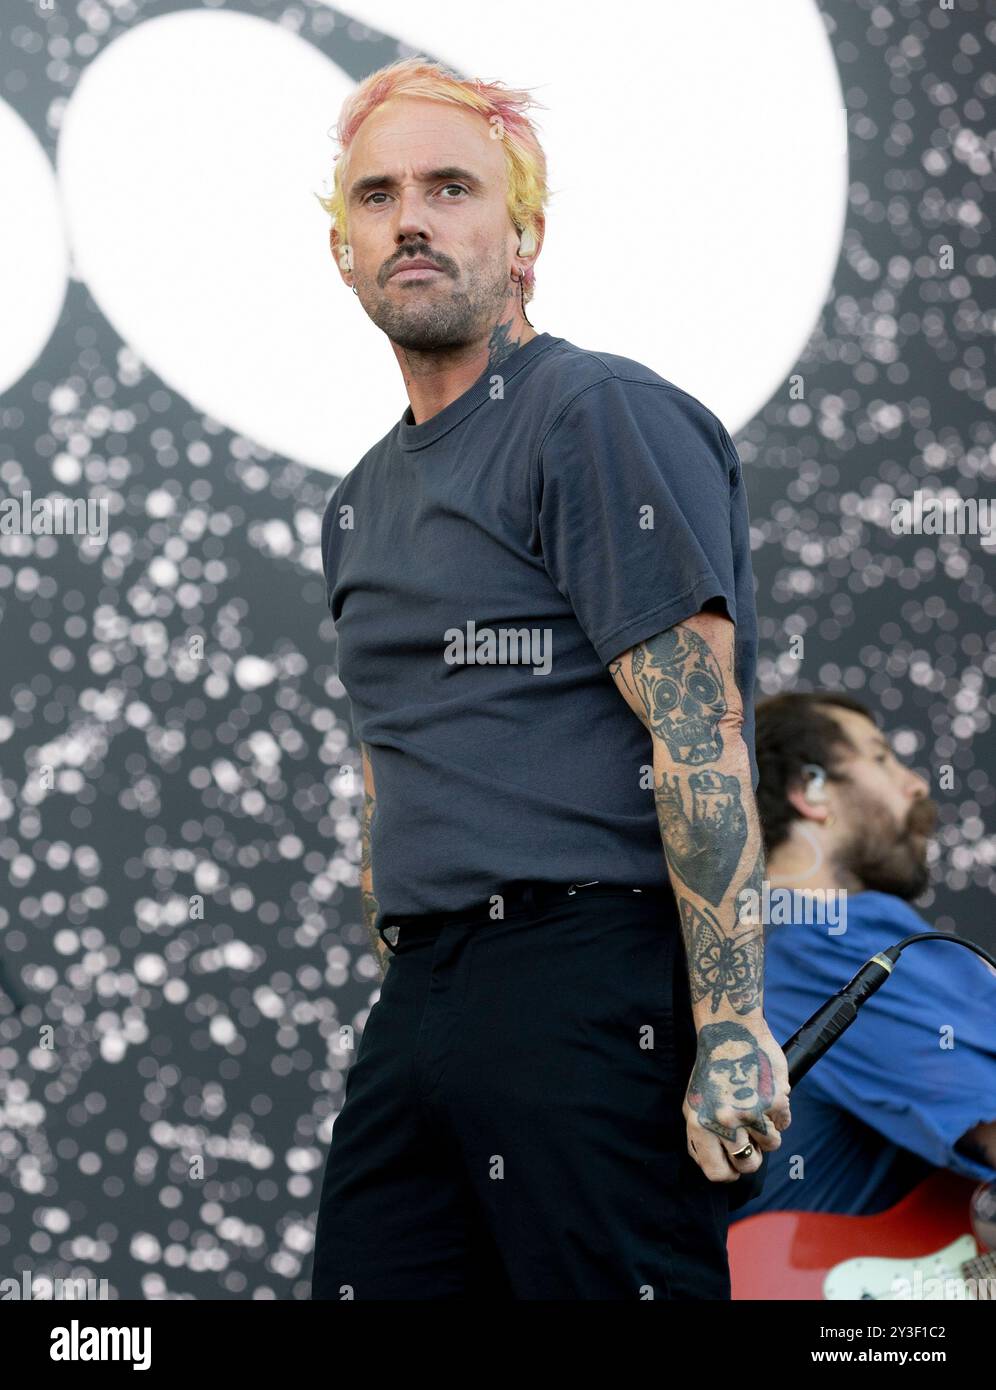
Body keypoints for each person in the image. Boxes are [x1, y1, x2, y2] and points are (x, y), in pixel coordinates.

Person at [310, 56, 790, 1300]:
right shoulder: (356, 504)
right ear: (341, 253)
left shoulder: (593, 411)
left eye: (450, 186)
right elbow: (391, 778)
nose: (409, 217)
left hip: (588, 987)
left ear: (523, 241)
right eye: (376, 196)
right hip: (422, 998)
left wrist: (733, 1029)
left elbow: (701, 728)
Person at [730, 692, 996, 1223]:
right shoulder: (829, 937)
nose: (916, 784)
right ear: (812, 790)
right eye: (880, 757)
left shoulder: (764, 957)